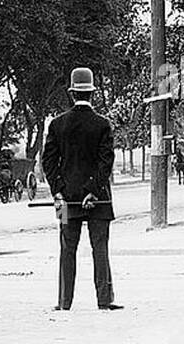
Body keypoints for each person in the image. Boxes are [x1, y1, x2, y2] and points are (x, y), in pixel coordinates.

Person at [42, 67, 123, 311]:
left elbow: (48, 162)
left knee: (67, 248)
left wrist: (58, 190)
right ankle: (105, 300)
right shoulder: (103, 125)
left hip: (64, 201)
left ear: (71, 92)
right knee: (100, 248)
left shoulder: (57, 125)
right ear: (92, 94)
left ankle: (64, 302)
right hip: (98, 200)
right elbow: (105, 162)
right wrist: (92, 190)